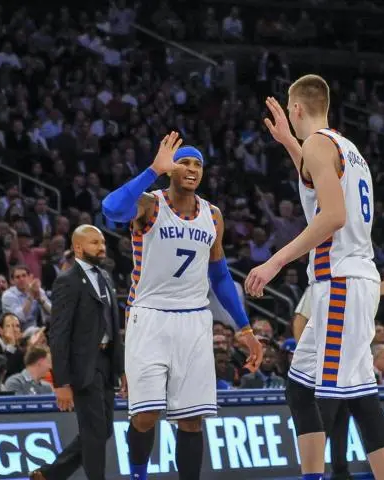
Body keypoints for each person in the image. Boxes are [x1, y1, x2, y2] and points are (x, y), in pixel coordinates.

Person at [246, 78, 384, 480]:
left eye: (290, 112)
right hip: (352, 279)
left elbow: (332, 216)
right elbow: (319, 183)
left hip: (342, 281)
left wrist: (275, 262)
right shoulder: (345, 147)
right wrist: (287, 142)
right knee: (302, 388)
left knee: (343, 396)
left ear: (296, 108)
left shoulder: (318, 145)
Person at [102, 133, 263, 480]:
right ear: (171, 168)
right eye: (184, 162)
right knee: (146, 416)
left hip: (194, 320)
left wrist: (245, 328)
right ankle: (138, 476)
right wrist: (152, 170)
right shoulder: (150, 204)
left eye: (197, 164)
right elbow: (111, 209)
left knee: (192, 420)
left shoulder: (213, 215)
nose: (191, 169)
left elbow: (220, 276)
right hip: (149, 316)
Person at [292, 268, 384, 480]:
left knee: (344, 421)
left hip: (353, 365)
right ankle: (313, 475)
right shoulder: (323, 283)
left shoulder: (363, 282)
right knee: (324, 423)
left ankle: (340, 472)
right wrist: (305, 356)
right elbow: (300, 319)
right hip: (328, 363)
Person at [31, 225, 124, 480]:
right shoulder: (67, 281)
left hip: (106, 362)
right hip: (83, 366)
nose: (102, 247)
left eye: (103, 242)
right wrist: (61, 382)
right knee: (94, 432)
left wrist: (121, 369)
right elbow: (59, 334)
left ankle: (50, 475)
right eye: (95, 243)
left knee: (103, 430)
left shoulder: (105, 277)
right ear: (79, 247)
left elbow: (114, 326)